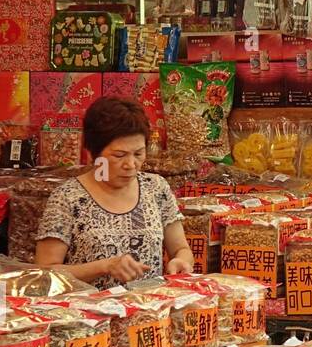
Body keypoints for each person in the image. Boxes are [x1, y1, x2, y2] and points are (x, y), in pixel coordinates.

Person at [35, 97, 196, 283]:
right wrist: (104, 267)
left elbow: (181, 249)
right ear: (93, 153)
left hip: (148, 307)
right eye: (119, 155)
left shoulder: (156, 188)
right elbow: (44, 273)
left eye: (138, 154)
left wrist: (181, 262)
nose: (130, 164)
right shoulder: (67, 198)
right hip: (87, 309)